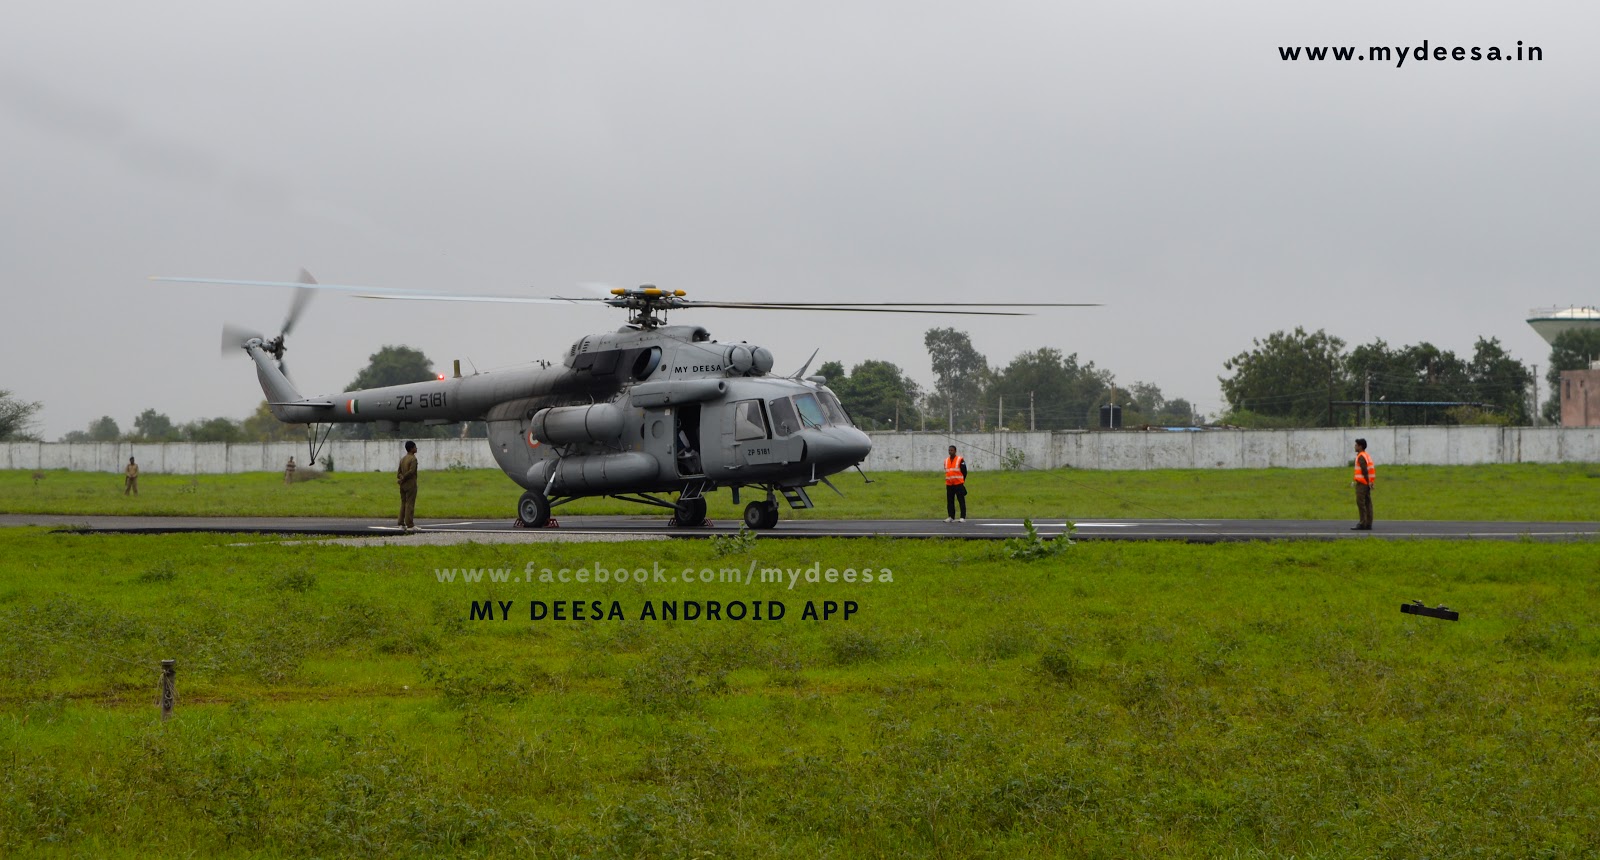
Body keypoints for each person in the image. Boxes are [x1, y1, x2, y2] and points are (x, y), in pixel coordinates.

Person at [1352, 438, 1376, 531]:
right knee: (1367, 503)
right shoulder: (1366, 455)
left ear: (1360, 446)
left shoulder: (1361, 456)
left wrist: (1367, 482)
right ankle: (1368, 523)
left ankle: (1362, 523)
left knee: (1361, 503)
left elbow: (1364, 471)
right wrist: (1370, 482)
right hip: (1367, 483)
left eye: (1356, 445)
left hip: (1362, 483)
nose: (1355, 446)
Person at [397, 441, 419, 531]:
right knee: (410, 504)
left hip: (402, 485)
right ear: (411, 448)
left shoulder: (403, 459)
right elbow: (411, 471)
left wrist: (401, 478)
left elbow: (398, 473)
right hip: (411, 484)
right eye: (415, 447)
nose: (416, 448)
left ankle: (401, 523)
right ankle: (410, 524)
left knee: (403, 503)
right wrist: (404, 478)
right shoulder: (413, 459)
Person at [944, 444, 967, 523]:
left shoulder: (960, 460)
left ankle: (962, 517)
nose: (950, 452)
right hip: (949, 484)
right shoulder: (946, 460)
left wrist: (962, 481)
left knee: (961, 500)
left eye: (952, 450)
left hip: (958, 483)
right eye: (949, 450)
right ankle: (951, 516)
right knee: (950, 501)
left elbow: (964, 471)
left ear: (955, 451)